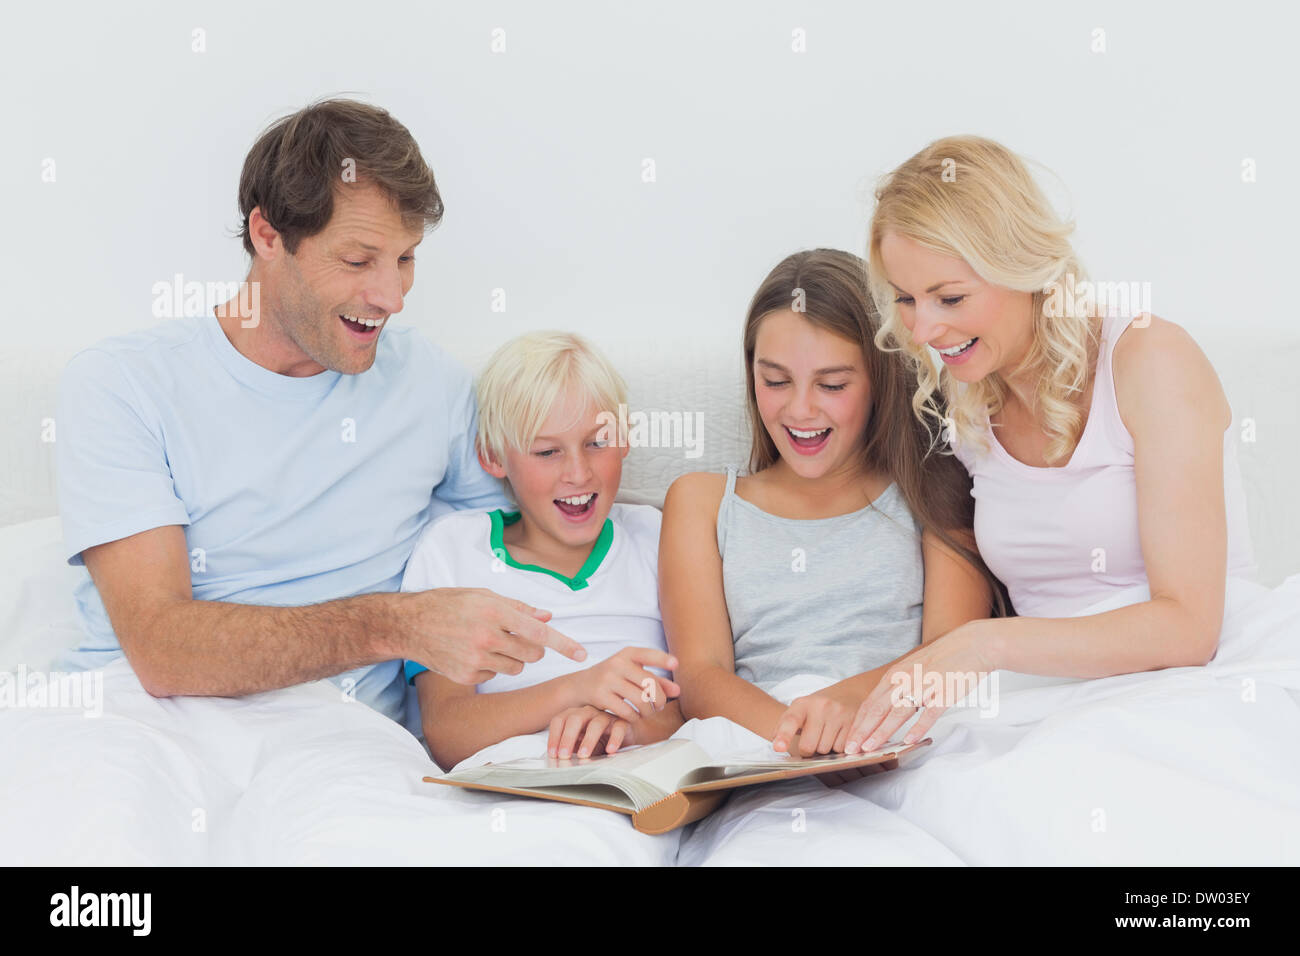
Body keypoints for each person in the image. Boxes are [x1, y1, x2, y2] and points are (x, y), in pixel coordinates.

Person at [53, 97, 583, 734]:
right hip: (139, 724)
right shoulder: (123, 385)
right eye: (358, 261)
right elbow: (163, 650)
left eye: (406, 258)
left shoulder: (431, 384)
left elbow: (525, 543)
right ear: (268, 235)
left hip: (338, 743)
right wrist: (396, 624)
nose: (391, 297)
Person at [843, 134, 1257, 752]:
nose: (924, 329)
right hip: (1045, 702)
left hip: (1188, 685)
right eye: (905, 298)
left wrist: (988, 644)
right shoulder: (965, 399)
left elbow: (1189, 628)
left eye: (950, 297)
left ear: (1024, 269)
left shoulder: (1148, 359)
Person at [660, 249, 1003, 759]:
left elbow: (950, 653)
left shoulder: (933, 484)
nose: (800, 409)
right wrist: (800, 737)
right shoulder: (702, 502)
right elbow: (701, 676)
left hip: (903, 738)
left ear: (879, 382)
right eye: (775, 381)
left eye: (833, 384)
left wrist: (847, 715)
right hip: (766, 754)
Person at [401, 331, 683, 770]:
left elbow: (701, 701)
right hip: (506, 790)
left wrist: (627, 728)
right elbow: (447, 733)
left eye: (597, 442)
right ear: (493, 458)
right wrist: (576, 690)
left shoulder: (659, 538)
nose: (578, 472)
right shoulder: (451, 550)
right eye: (547, 451)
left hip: (636, 780)